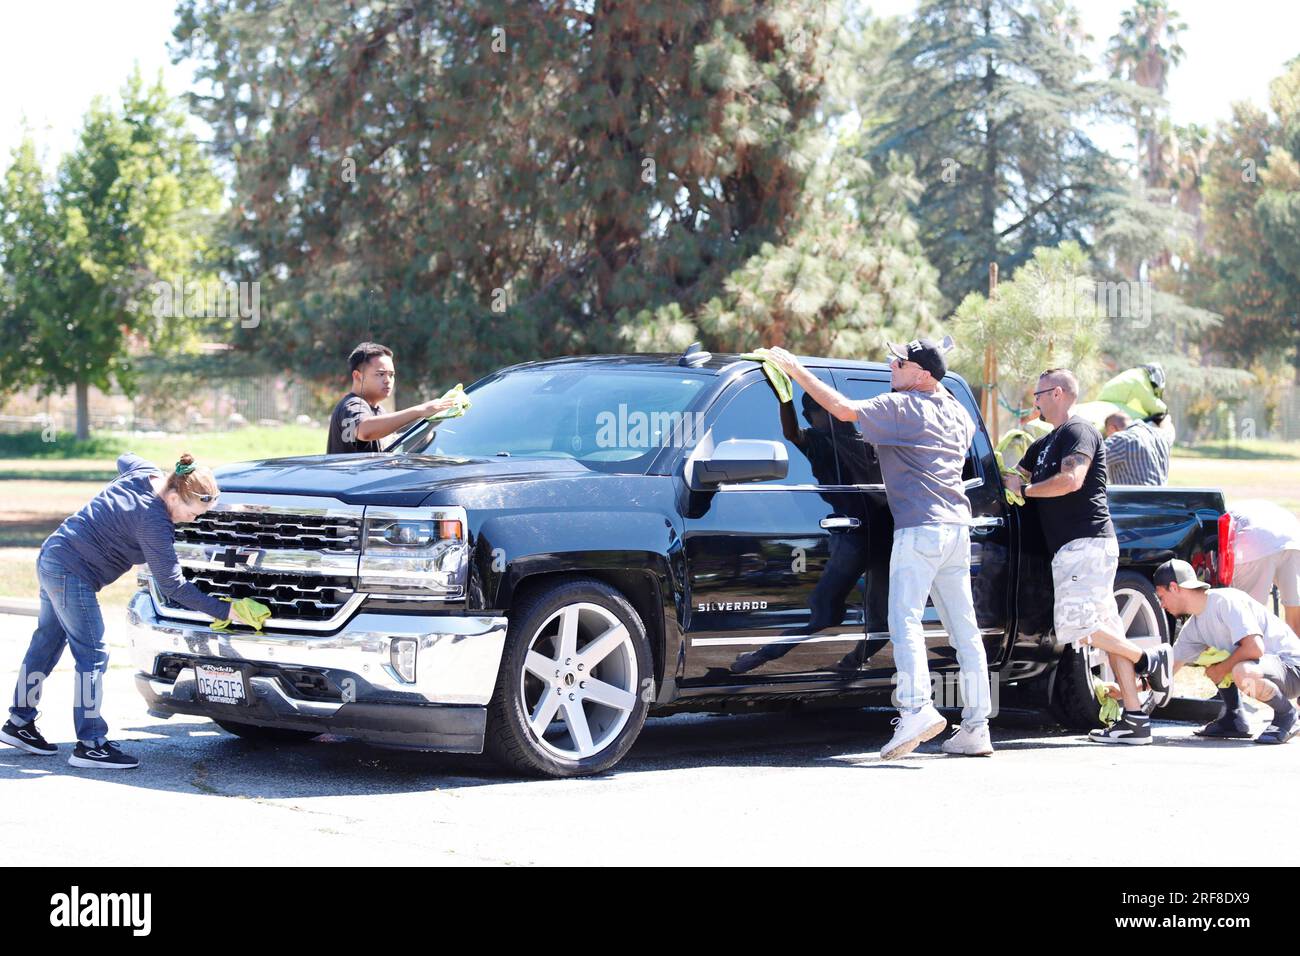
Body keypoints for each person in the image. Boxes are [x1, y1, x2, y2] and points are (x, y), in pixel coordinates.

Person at [768, 338, 994, 759]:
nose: (891, 364)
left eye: (900, 361)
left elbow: (844, 410)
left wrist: (796, 371)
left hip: (919, 529)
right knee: (964, 630)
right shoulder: (960, 413)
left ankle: (916, 710)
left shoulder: (905, 407)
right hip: (956, 529)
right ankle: (977, 726)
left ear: (922, 374)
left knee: (905, 621)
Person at [1, 453, 248, 769]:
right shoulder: (154, 522)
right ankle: (90, 745)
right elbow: (173, 586)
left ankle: (19, 722)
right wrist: (224, 611)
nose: (192, 519)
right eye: (190, 511)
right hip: (72, 572)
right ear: (173, 495)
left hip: (54, 555)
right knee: (92, 654)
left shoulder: (145, 473)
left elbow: (124, 457)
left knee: (46, 643)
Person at [1004, 368, 1173, 745]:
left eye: (1040, 394)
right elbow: (1014, 477)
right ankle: (1134, 720)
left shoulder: (1079, 432)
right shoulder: (1045, 443)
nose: (1036, 401)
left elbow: (1071, 480)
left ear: (1060, 393)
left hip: (1086, 544)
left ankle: (1150, 661)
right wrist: (1008, 479)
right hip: (1072, 549)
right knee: (1107, 631)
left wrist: (1027, 489)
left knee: (1077, 628)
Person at [1154, 558, 1300, 744]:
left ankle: (1286, 715)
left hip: (1293, 668)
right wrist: (1130, 691)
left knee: (1241, 670)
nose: (1161, 604)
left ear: (1174, 587)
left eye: (1161, 597)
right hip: (1272, 672)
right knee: (1213, 658)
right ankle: (1234, 717)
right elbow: (1168, 670)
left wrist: (1221, 669)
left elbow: (1254, 648)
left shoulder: (1225, 600)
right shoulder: (1194, 627)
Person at [326, 342, 459, 454]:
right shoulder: (352, 405)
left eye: (391, 375)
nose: (388, 380)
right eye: (380, 374)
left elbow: (391, 449)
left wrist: (430, 432)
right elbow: (364, 431)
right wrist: (420, 410)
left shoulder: (379, 411)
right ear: (358, 376)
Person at [1228, 500, 1300, 634]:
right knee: (1295, 615)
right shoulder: (1263, 507)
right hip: (1293, 538)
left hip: (1256, 541)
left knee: (1250, 615)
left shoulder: (1228, 511)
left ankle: (1252, 651)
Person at [1102, 410, 1171, 486]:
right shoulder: (1161, 437)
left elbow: (1092, 459)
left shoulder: (1121, 439)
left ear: (1112, 428)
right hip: (1162, 496)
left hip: (1134, 496)